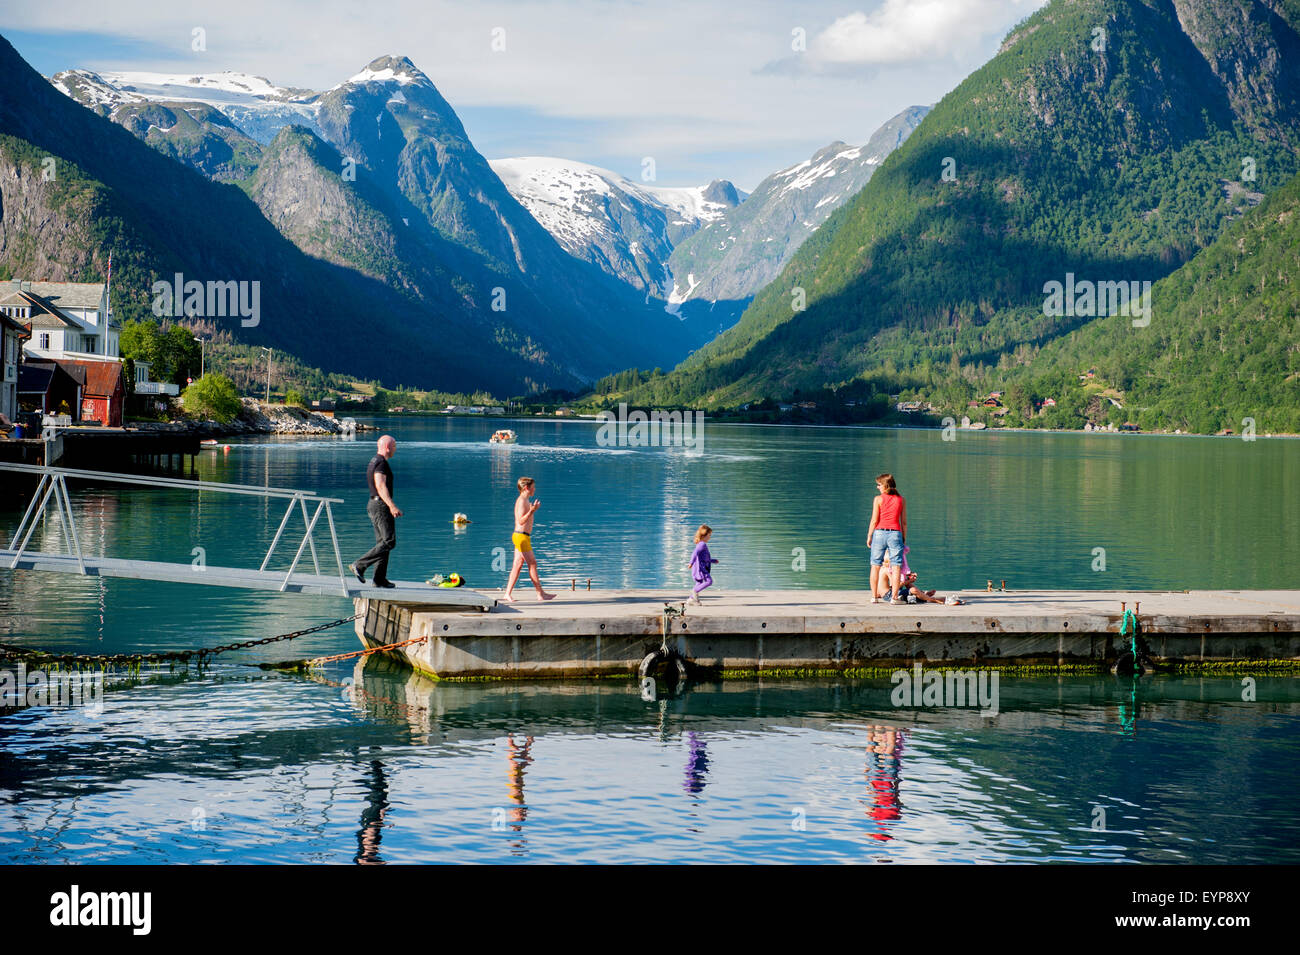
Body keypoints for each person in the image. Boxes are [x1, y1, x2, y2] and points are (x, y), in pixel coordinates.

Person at [351, 435, 401, 588]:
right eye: (394, 446)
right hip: (380, 505)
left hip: (374, 504)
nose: (395, 449)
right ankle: (360, 565)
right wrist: (392, 505)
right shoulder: (380, 463)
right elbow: (381, 486)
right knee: (389, 541)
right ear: (387, 447)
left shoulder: (375, 461)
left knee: (382, 542)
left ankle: (379, 579)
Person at [503, 477, 555, 602]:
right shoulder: (522, 501)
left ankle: (507, 594)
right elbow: (521, 520)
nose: (534, 489)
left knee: (517, 565)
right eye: (533, 487)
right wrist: (531, 511)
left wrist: (532, 510)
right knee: (532, 564)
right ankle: (540, 594)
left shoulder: (524, 500)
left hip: (521, 536)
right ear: (526, 488)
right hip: (521, 536)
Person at [867, 473, 906, 604]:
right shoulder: (901, 500)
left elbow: (874, 520)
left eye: (879, 485)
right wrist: (903, 537)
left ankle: (874, 596)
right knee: (896, 567)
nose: (877, 487)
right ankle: (894, 598)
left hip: (879, 533)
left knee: (875, 566)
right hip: (895, 533)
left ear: (885, 485)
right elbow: (904, 522)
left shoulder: (878, 499)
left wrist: (869, 535)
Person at [687, 524, 717, 605]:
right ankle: (695, 591)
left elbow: (704, 558)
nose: (710, 537)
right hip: (701, 569)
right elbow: (694, 553)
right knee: (709, 581)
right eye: (709, 535)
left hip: (698, 568)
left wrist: (713, 561)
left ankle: (691, 599)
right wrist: (691, 562)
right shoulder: (702, 544)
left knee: (699, 583)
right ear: (704, 535)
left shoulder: (701, 544)